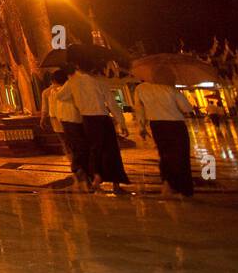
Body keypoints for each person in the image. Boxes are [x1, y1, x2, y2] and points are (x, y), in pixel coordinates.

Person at [55, 60, 129, 194]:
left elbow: (61, 96)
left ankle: (96, 176)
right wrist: (121, 122)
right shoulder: (99, 81)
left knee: (95, 149)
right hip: (102, 118)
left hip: (87, 119)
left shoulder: (72, 82)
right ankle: (116, 185)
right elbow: (112, 103)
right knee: (111, 150)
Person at [133, 80, 195, 197]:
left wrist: (142, 127)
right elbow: (186, 108)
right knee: (181, 156)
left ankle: (167, 182)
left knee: (164, 154)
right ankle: (184, 188)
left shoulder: (140, 89)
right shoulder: (168, 86)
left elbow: (139, 108)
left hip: (156, 125)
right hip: (175, 124)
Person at [46, 67, 89, 186]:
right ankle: (79, 167)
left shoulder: (64, 89)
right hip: (68, 120)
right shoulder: (56, 90)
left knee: (76, 145)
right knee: (74, 145)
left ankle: (79, 167)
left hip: (71, 120)